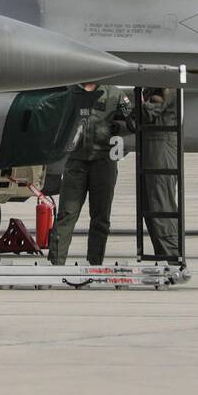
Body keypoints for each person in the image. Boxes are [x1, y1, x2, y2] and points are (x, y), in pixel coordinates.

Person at [50, 82, 135, 265]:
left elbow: (132, 122)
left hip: (104, 161)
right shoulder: (69, 92)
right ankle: (56, 264)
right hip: (75, 162)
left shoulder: (114, 94)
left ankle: (95, 264)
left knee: (101, 218)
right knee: (66, 214)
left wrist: (114, 128)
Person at [139, 87, 182, 262]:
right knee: (149, 206)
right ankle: (163, 255)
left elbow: (149, 112)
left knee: (161, 203)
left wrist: (141, 103)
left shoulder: (168, 84)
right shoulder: (155, 85)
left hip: (161, 146)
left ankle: (172, 256)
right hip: (152, 145)